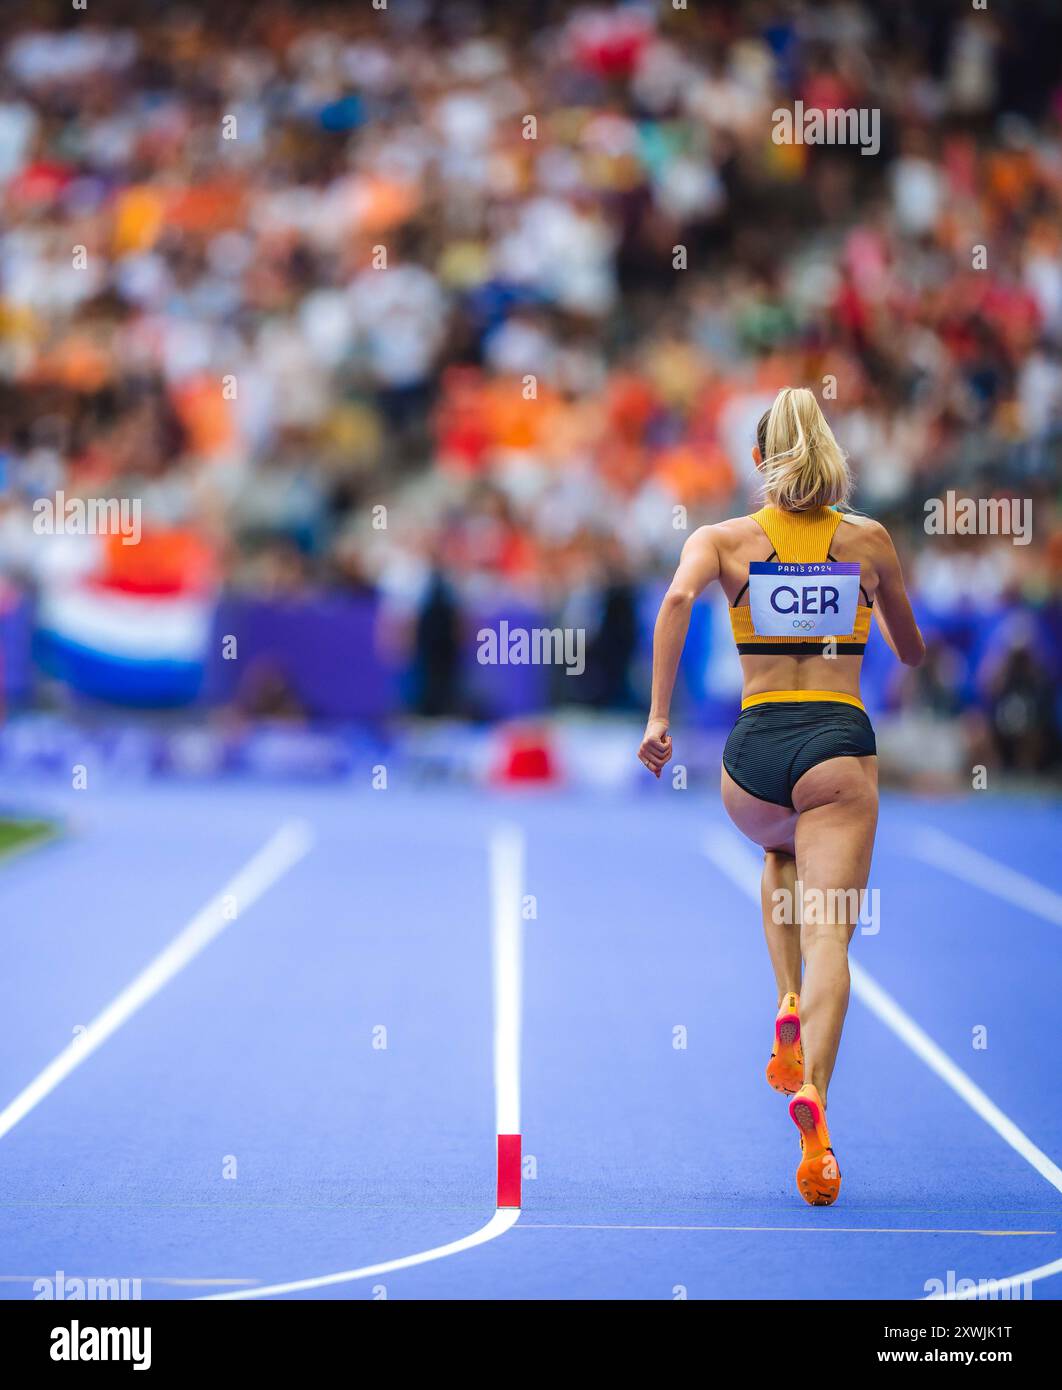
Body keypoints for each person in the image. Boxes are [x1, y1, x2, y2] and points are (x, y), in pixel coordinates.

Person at [638, 387, 924, 1205]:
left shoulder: (723, 540)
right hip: (836, 745)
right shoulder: (866, 541)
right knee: (832, 934)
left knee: (778, 846)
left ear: (759, 461)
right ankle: (818, 1110)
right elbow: (909, 652)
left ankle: (785, 999)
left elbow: (675, 601)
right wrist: (880, 616)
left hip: (751, 757)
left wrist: (659, 716)